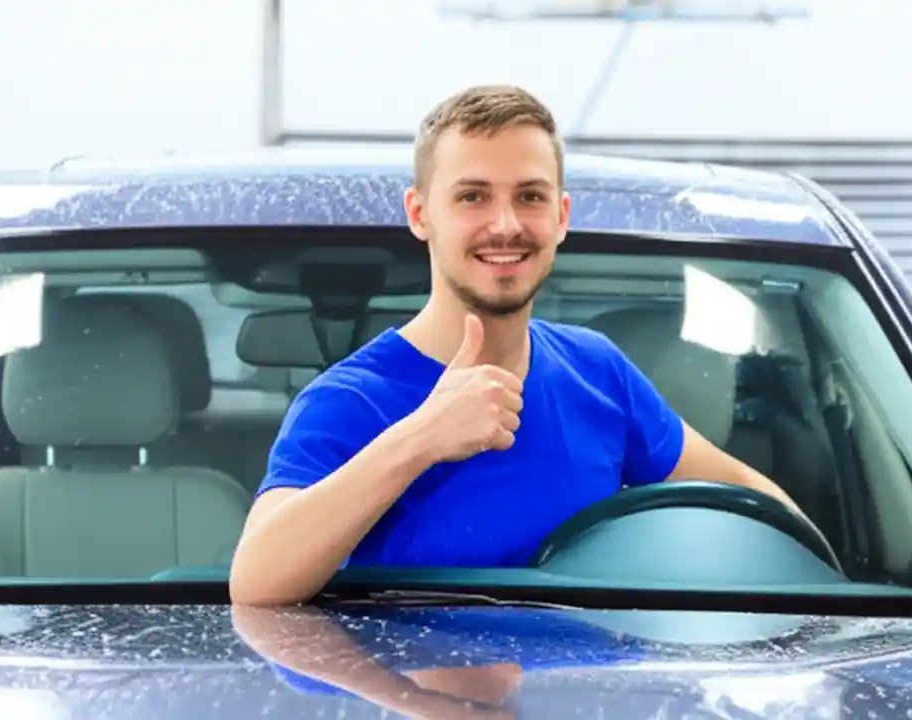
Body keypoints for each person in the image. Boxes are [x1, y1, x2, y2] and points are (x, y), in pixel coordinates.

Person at [229, 84, 812, 606]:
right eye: (472, 196)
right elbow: (256, 580)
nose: (505, 224)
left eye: (530, 196)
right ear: (419, 213)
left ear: (561, 216)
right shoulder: (352, 401)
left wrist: (819, 601)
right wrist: (422, 437)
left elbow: (749, 500)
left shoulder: (597, 371)